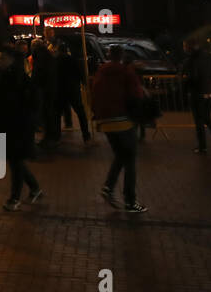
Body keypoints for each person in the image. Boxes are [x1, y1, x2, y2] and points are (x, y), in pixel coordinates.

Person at [90, 45, 148, 213]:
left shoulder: (101, 71)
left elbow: (94, 93)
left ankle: (109, 187)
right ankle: (130, 200)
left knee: (120, 154)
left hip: (105, 120)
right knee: (130, 159)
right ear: (122, 56)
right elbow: (136, 95)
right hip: (123, 120)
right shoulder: (126, 72)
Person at [0, 45, 42, 211]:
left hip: (17, 126)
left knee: (15, 161)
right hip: (5, 125)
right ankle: (34, 187)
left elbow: (28, 103)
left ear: (12, 60)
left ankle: (15, 197)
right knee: (14, 161)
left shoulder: (19, 79)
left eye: (2, 58)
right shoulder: (0, 77)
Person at [181, 39, 211, 153]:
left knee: (199, 121)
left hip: (197, 93)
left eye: (184, 46)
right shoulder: (207, 57)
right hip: (208, 92)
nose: (183, 48)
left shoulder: (190, 60)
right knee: (207, 118)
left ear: (189, 47)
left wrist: (185, 80)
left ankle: (202, 146)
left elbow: (191, 77)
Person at [54, 39, 92, 143]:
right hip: (73, 89)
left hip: (60, 90)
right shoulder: (72, 60)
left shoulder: (55, 60)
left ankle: (56, 136)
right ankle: (86, 136)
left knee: (57, 114)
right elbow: (80, 73)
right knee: (80, 112)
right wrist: (84, 83)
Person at [31, 38, 60, 147]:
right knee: (49, 114)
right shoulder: (47, 55)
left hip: (44, 90)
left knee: (46, 114)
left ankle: (49, 138)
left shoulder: (40, 57)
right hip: (50, 88)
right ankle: (52, 136)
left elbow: (39, 73)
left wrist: (33, 83)